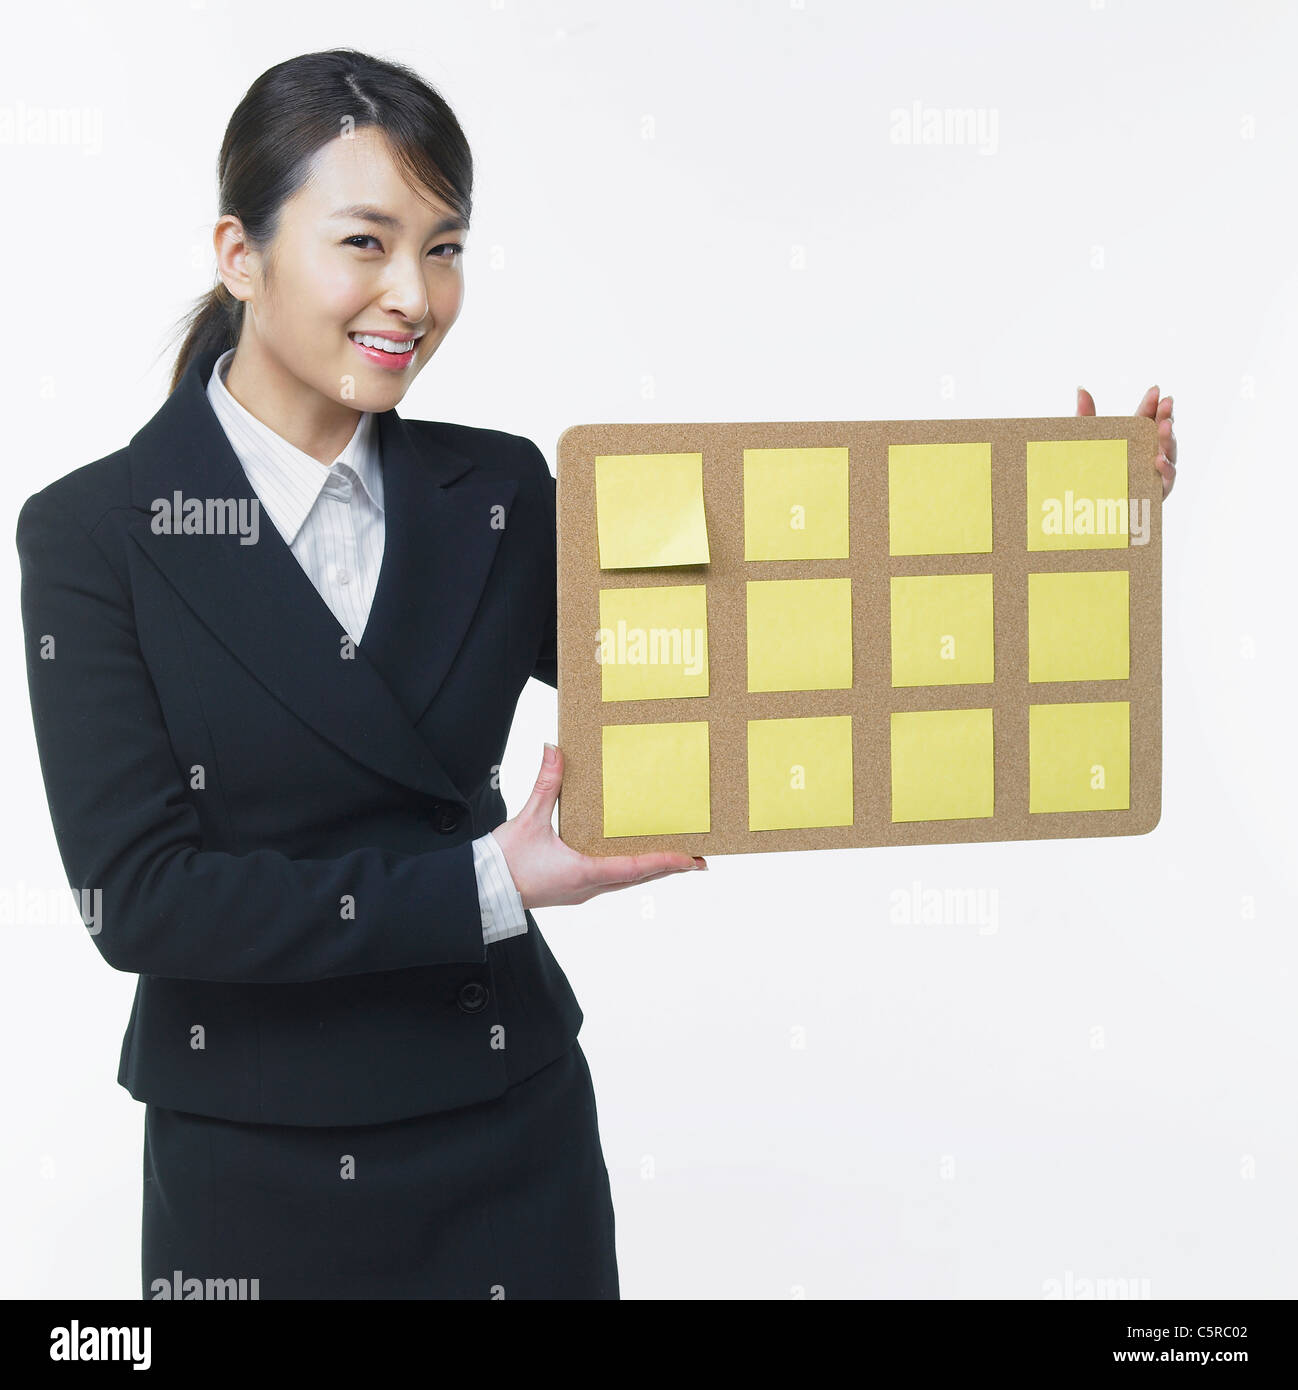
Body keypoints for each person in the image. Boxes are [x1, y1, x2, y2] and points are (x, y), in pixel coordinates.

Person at [14, 47, 707, 1301]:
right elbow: (145, 901)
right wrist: (489, 881)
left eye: (443, 248)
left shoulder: (496, 492)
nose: (414, 295)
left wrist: (1081, 513)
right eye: (366, 243)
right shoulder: (93, 533)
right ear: (239, 254)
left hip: (509, 1125)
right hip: (255, 1164)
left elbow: (731, 641)